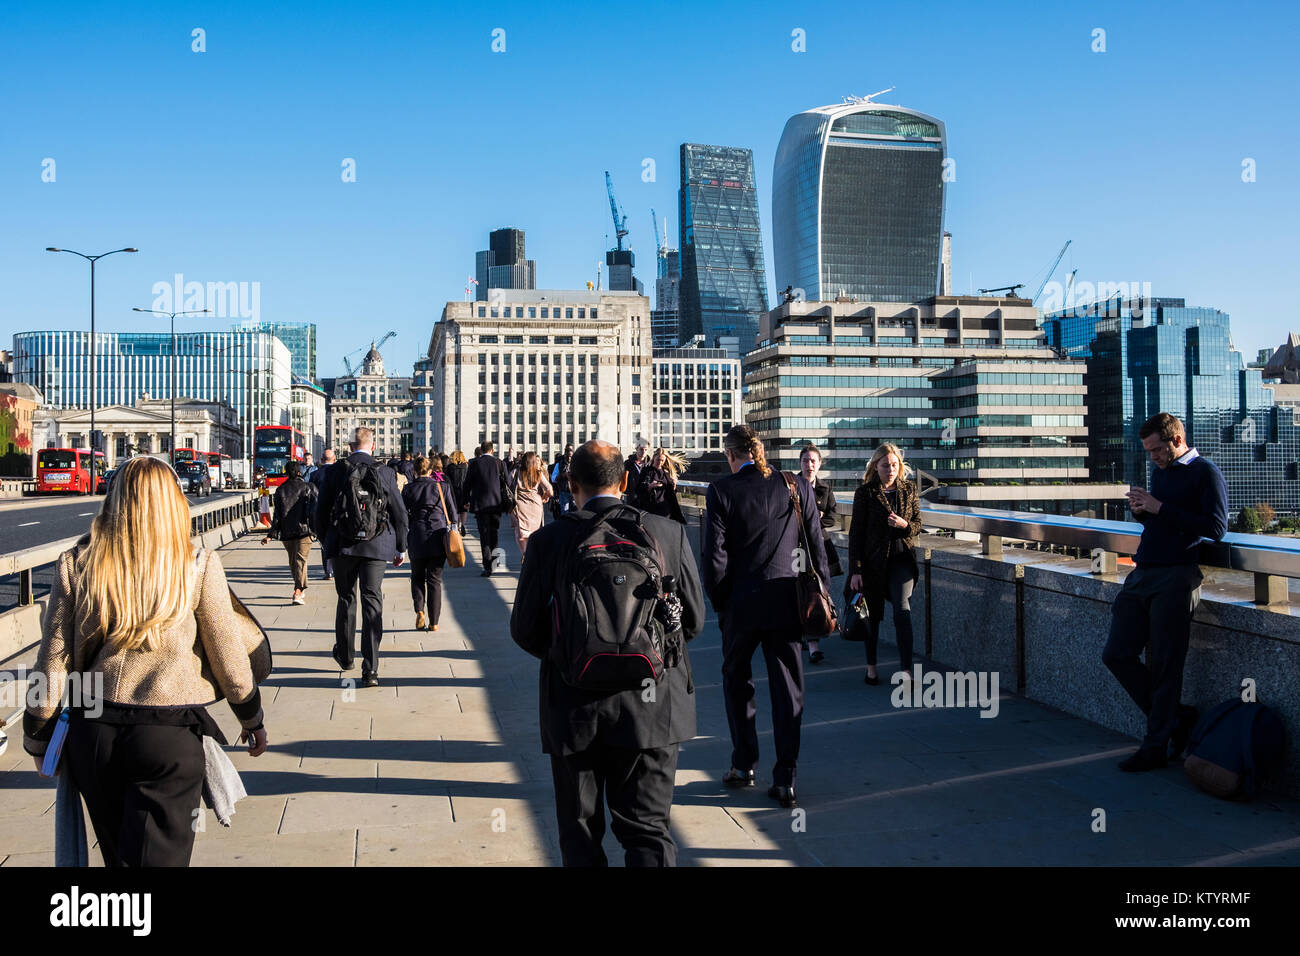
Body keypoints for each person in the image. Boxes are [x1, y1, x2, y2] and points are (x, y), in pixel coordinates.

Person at [23, 455, 268, 866]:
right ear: (174, 502)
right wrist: (252, 719)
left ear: (114, 500)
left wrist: (37, 736)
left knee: (120, 860)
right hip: (167, 738)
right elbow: (232, 664)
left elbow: (51, 664)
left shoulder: (78, 562)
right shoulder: (197, 564)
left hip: (94, 733)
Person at [510, 440, 705, 867]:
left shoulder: (549, 541)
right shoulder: (667, 533)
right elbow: (692, 621)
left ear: (571, 483)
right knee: (648, 832)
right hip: (652, 704)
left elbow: (524, 629)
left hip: (575, 703)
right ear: (626, 480)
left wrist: (572, 654)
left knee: (580, 834)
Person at [702, 424, 828, 809]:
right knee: (788, 689)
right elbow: (816, 545)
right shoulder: (794, 485)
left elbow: (714, 559)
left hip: (741, 604)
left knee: (737, 683)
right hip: (787, 602)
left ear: (730, 454)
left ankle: (744, 764)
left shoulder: (722, 491)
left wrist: (722, 603)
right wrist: (819, 591)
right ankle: (786, 776)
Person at [1102, 412, 1228, 772]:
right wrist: (1144, 511)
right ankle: (1178, 719)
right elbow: (1165, 521)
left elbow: (1216, 527)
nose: (1153, 457)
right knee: (1116, 653)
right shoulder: (1161, 473)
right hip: (1144, 574)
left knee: (1165, 667)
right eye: (1148, 452)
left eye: (1157, 449)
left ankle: (1155, 746)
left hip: (1176, 576)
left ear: (1175, 440)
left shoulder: (1206, 472)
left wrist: (1160, 507)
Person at [315, 426, 409, 688]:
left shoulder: (335, 471)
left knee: (346, 599)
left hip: (344, 546)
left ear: (349, 446)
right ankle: (371, 670)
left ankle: (346, 657)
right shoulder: (386, 472)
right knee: (372, 603)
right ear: (373, 444)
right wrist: (400, 547)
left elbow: (320, 513)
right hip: (377, 546)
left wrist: (327, 542)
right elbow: (400, 514)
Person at [847, 443, 922, 687]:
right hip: (872, 563)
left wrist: (904, 525)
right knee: (873, 616)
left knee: (902, 612)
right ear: (875, 467)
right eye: (885, 465)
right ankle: (871, 669)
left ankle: (906, 672)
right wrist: (855, 571)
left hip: (901, 560)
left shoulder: (909, 489)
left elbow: (918, 523)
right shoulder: (866, 493)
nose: (890, 469)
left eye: (894, 465)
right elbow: (856, 534)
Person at [402, 455, 457, 632]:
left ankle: (420, 610)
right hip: (437, 535)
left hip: (416, 536)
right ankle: (434, 621)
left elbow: (403, 515)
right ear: (431, 470)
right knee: (434, 580)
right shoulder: (442, 487)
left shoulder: (409, 489)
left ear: (415, 471)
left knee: (417, 577)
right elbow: (453, 515)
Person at [798, 443, 842, 665]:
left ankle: (814, 633)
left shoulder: (825, 488)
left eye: (813, 461)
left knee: (818, 590)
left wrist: (811, 518)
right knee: (801, 590)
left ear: (819, 464)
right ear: (800, 463)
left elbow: (832, 518)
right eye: (805, 460)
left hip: (820, 546)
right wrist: (816, 515)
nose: (809, 465)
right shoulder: (791, 485)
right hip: (797, 547)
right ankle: (811, 642)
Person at [262, 459, 317, 605]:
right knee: (298, 561)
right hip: (305, 530)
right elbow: (315, 510)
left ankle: (298, 590)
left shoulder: (281, 489)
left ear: (286, 472)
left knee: (295, 561)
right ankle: (300, 589)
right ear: (299, 472)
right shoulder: (308, 487)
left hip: (287, 531)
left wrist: (270, 534)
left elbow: (277, 515)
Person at [464, 439, 507, 577]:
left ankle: (487, 566)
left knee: (483, 535)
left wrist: (465, 501)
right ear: (492, 450)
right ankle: (495, 561)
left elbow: (467, 484)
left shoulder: (475, 463)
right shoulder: (499, 463)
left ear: (481, 450)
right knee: (494, 533)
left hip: (480, 504)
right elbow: (508, 482)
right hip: (496, 504)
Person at [511, 451, 553, 560]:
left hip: (520, 504)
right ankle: (532, 554)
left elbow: (508, 483)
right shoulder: (538, 473)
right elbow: (550, 490)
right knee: (534, 532)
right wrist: (545, 496)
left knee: (520, 532)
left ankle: (525, 553)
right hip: (536, 504)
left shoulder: (516, 471)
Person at [636, 447, 687, 525]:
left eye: (662, 460)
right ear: (654, 458)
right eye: (658, 460)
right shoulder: (646, 470)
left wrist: (673, 485)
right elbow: (638, 489)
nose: (660, 462)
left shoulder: (667, 472)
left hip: (665, 509)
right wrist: (650, 486)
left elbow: (672, 493)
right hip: (650, 509)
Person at [309, 449, 336, 580]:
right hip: (336, 513)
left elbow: (310, 495)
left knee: (324, 542)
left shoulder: (314, 475)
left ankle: (328, 571)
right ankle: (336, 568)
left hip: (320, 512)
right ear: (334, 459)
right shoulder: (339, 473)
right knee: (337, 540)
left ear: (321, 460)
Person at [445, 449, 469, 535]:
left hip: (453, 491)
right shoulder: (466, 466)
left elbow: (447, 480)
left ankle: (456, 525)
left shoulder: (449, 467)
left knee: (454, 509)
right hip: (463, 490)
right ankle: (462, 524)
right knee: (464, 510)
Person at [623, 440, 651, 507]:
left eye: (646, 450)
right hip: (631, 497)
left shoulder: (650, 464)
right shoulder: (628, 463)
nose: (643, 452)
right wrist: (627, 491)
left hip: (646, 497)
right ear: (636, 449)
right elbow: (622, 478)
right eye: (641, 449)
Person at [550, 444, 575, 517]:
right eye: (567, 450)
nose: (569, 453)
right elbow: (553, 479)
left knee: (575, 513)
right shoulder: (559, 464)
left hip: (575, 493)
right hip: (564, 493)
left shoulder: (576, 463)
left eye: (571, 451)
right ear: (565, 452)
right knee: (565, 514)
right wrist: (563, 475)